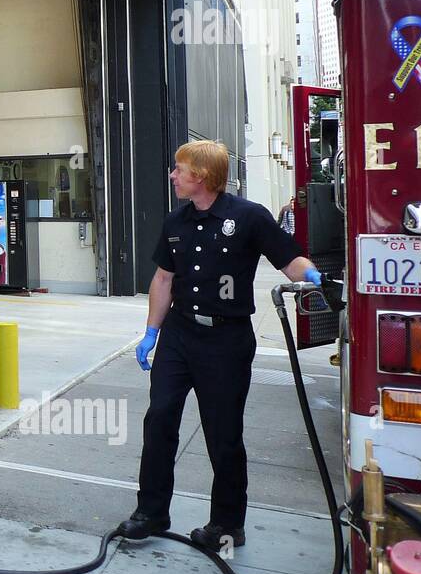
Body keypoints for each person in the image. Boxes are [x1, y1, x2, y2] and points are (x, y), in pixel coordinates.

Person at [120, 140, 322, 551]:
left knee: (223, 434)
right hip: (178, 335)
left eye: (179, 169)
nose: (173, 175)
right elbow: (163, 279)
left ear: (202, 175)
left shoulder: (248, 217)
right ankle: (151, 513)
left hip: (226, 341)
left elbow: (288, 258)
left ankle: (227, 525)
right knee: (159, 420)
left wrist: (316, 277)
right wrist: (151, 332)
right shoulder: (175, 221)